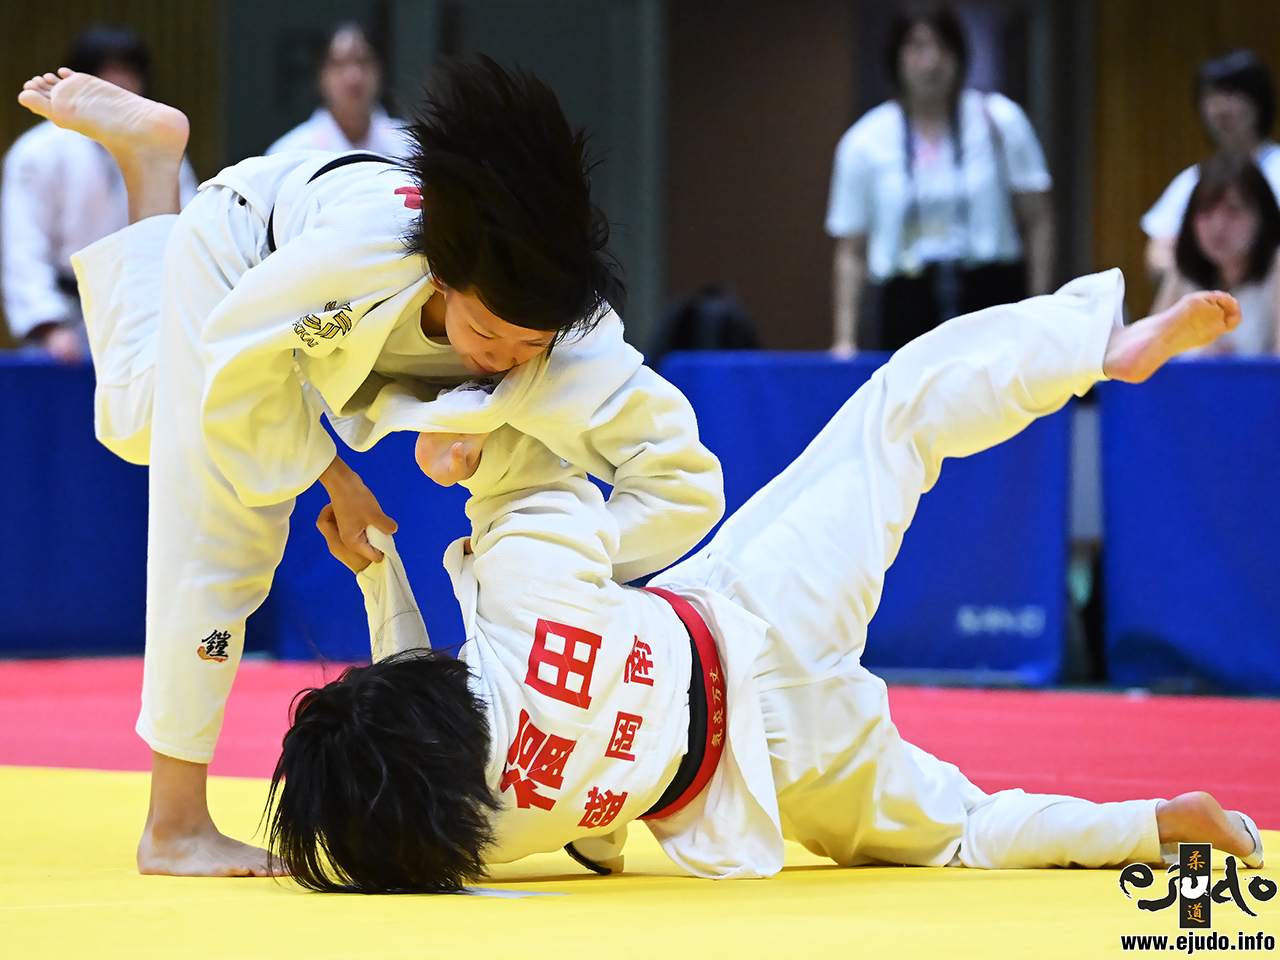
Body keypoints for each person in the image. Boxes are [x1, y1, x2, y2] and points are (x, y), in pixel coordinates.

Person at [270, 271, 1265, 893]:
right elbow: (528, 429)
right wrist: (462, 443)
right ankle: (1096, 350)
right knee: (898, 412)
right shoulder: (527, 601)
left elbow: (408, 734)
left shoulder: (465, 839)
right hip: (746, 612)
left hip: (769, 777)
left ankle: (1150, 824)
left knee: (959, 834)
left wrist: (381, 574)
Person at [16, 56, 723, 878]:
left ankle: (147, 162)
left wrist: (569, 557)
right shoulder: (360, 256)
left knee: (142, 416)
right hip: (245, 252)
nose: (503, 360)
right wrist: (336, 478)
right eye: (489, 335)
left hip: (341, 336)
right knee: (216, 523)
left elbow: (683, 480)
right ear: (444, 275)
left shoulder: (575, 336)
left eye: (529, 349)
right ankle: (174, 823)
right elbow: (243, 372)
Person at [826, 0, 1054, 354]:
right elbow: (851, 251)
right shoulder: (865, 141)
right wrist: (845, 340)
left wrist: (1038, 310)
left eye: (941, 47)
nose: (929, 62)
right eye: (916, 47)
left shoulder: (999, 121)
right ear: (896, 57)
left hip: (990, 292)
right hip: (905, 299)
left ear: (959, 54)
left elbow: (1038, 221)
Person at [2, 25, 197, 361]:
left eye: (127, 74)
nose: (119, 84)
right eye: (105, 76)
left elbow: (191, 233)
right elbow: (22, 248)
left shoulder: (163, 145)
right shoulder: (39, 151)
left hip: (144, 302)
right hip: (66, 314)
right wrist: (49, 326)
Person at [1143, 50, 1280, 286]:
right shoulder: (1194, 178)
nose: (1220, 109)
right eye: (1212, 96)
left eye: (1233, 95)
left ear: (1259, 101)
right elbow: (1157, 256)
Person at [1152, 153, 1280, 356]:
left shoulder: (1277, 267)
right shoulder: (1184, 269)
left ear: (1262, 218)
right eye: (1206, 212)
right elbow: (1150, 353)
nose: (1218, 226)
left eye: (1233, 211)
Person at [265, 22, 410, 159]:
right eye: (339, 64)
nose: (353, 76)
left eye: (362, 61)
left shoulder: (409, 147)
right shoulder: (290, 153)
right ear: (320, 76)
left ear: (380, 71)